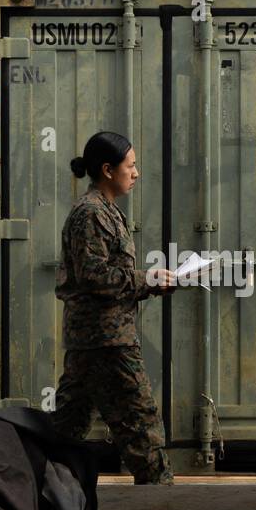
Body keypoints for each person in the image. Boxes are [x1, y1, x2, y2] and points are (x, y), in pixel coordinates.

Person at [50, 131, 177, 484]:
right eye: (130, 166)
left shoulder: (106, 211)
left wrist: (149, 284)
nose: (135, 173)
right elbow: (95, 276)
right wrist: (146, 280)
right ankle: (163, 504)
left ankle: (40, 494)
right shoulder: (91, 213)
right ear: (108, 170)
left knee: (68, 427)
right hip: (107, 341)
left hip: (94, 338)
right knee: (141, 426)